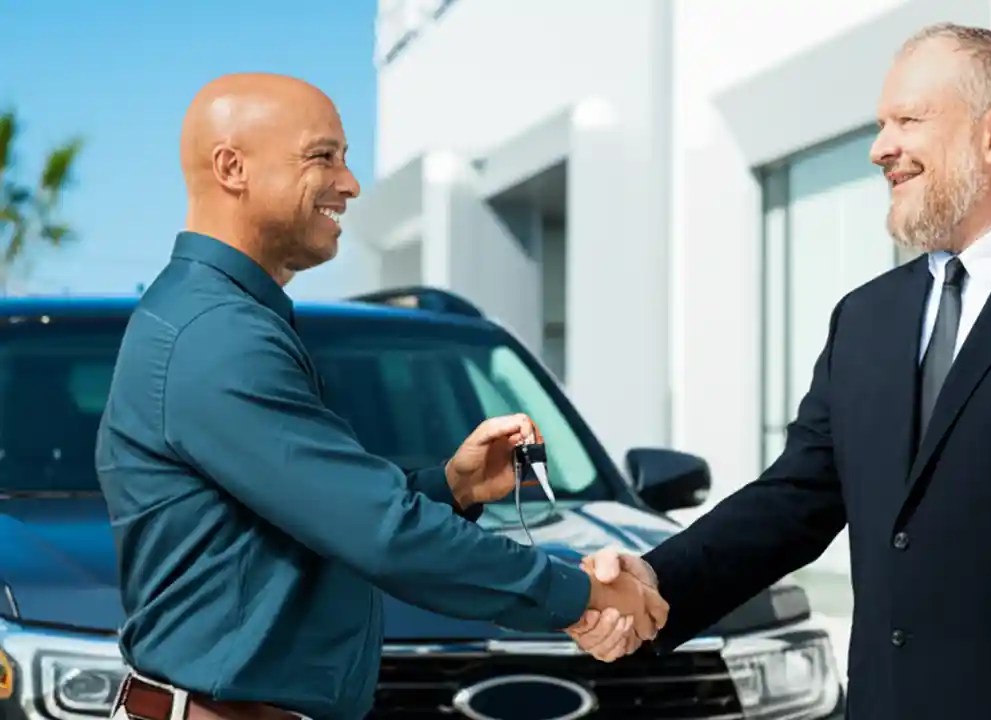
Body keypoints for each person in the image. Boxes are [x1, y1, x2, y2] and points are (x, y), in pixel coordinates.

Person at [570, 23, 991, 720]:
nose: (879, 148)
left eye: (908, 120)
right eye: (880, 124)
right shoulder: (864, 319)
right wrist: (654, 578)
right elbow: (793, 500)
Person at [95, 72, 665, 720]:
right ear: (233, 168)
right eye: (323, 156)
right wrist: (580, 593)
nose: (350, 183)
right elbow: (380, 532)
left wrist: (452, 488)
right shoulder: (216, 337)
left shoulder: (222, 320)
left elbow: (315, 522)